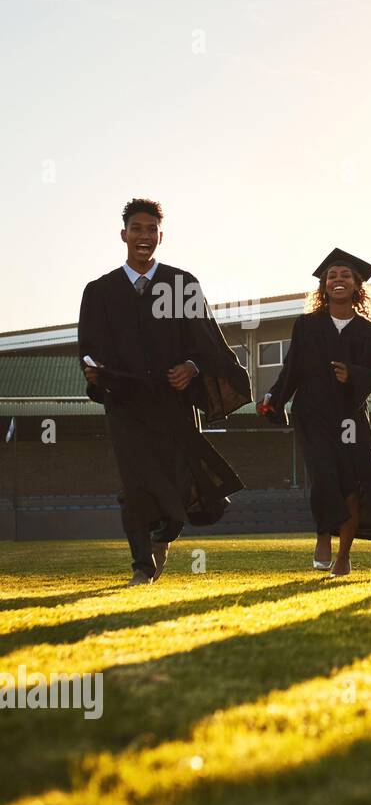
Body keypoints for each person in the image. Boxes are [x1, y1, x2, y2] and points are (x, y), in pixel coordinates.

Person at [77, 198, 250, 586]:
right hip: (126, 403)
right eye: (136, 228)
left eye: (150, 230)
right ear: (124, 234)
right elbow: (89, 344)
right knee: (135, 483)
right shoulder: (100, 291)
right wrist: (93, 371)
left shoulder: (181, 284)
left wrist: (193, 368)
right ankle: (141, 565)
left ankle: (166, 532)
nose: (143, 236)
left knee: (178, 479)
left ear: (160, 236)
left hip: (173, 403)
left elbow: (206, 342)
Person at [262, 249, 371, 576]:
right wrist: (274, 395)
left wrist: (352, 374)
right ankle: (322, 535)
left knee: (352, 485)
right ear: (324, 286)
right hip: (312, 412)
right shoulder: (306, 325)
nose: (337, 280)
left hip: (349, 416)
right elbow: (292, 368)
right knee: (324, 475)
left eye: (345, 276)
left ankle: (343, 555)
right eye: (332, 276)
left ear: (357, 285)